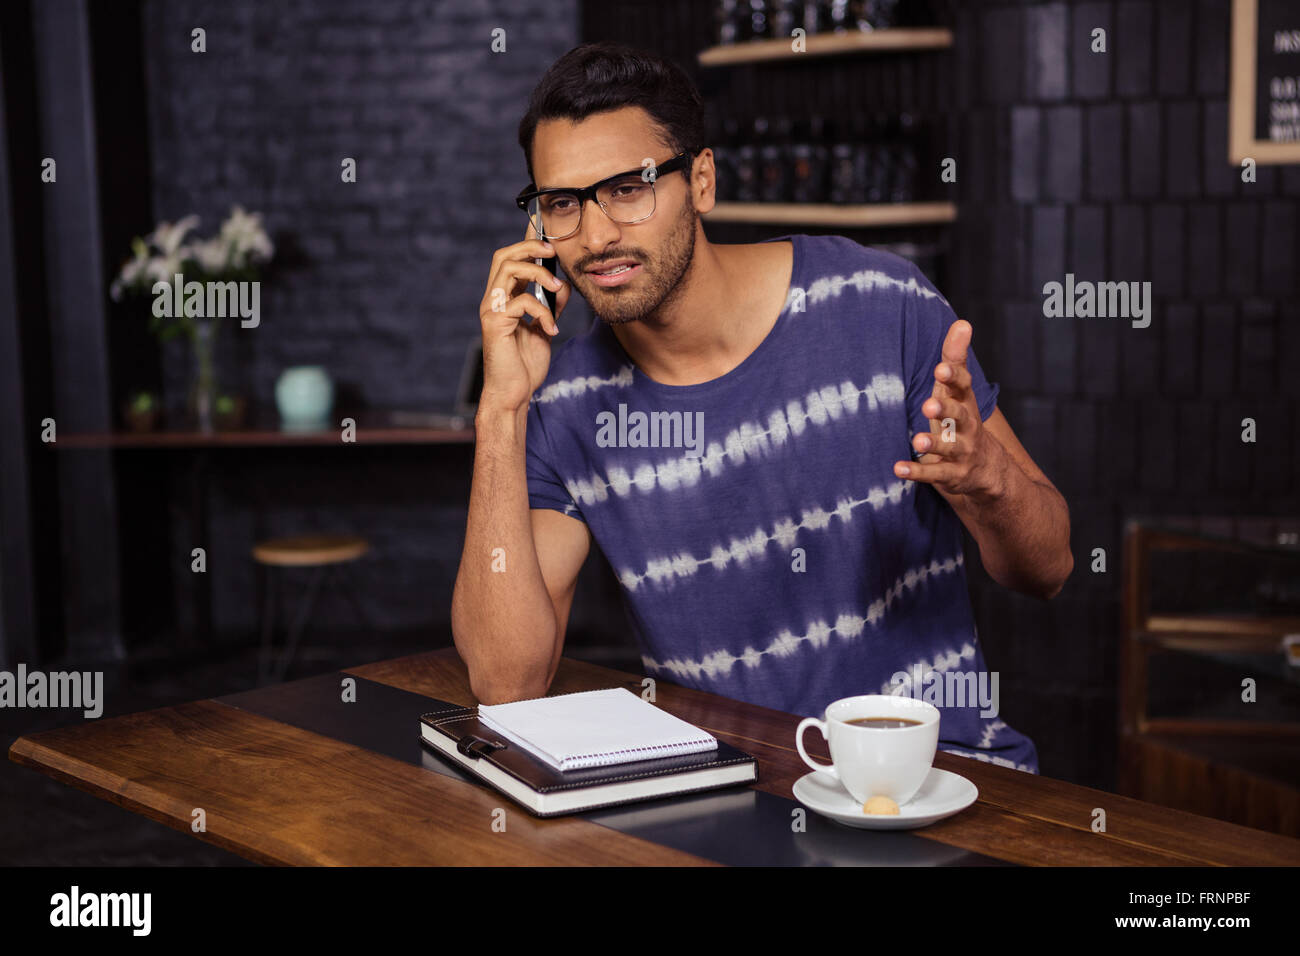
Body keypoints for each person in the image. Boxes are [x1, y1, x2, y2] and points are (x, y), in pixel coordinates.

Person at [451, 42, 1072, 773]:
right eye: (563, 203)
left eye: (629, 188)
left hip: (936, 781)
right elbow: (505, 682)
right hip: (726, 800)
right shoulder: (567, 401)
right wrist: (501, 409)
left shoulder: (881, 306)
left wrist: (986, 480)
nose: (596, 235)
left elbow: (1050, 567)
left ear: (702, 181)